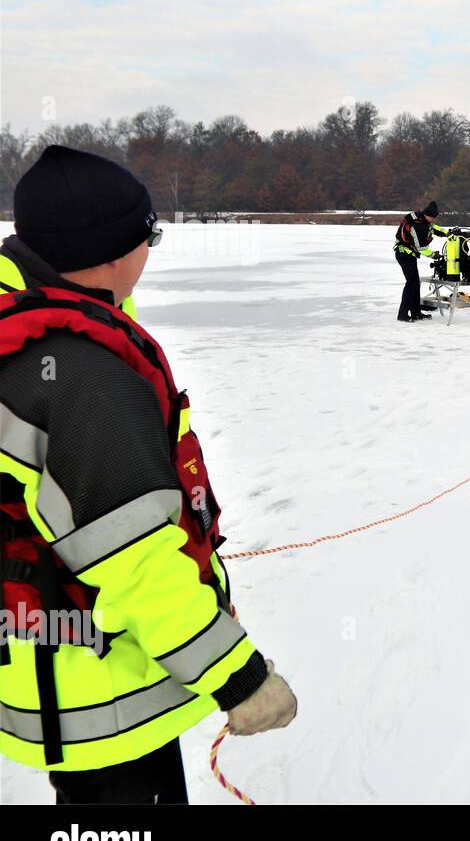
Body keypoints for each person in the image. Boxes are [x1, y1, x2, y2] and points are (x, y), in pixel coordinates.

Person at [0, 146, 297, 803]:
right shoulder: (82, 376)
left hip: (49, 665)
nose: (150, 251)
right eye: (148, 236)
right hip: (97, 686)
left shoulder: (22, 324)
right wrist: (237, 677)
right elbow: (133, 558)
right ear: (108, 253)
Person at [393, 201, 453, 322]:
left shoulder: (422, 219)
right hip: (403, 254)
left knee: (414, 283)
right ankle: (402, 314)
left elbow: (434, 228)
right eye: (432, 217)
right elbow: (421, 248)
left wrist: (448, 232)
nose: (433, 220)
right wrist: (434, 255)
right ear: (427, 214)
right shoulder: (418, 225)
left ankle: (416, 313)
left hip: (410, 254)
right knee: (411, 284)